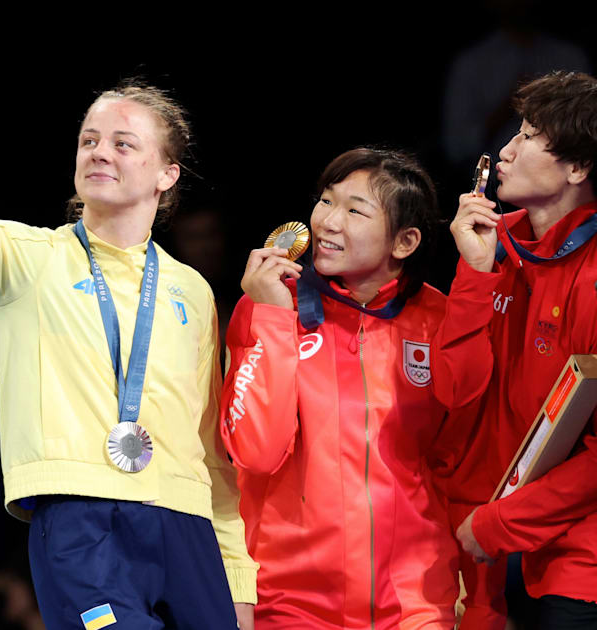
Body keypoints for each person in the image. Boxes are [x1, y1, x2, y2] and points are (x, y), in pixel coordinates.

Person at [0, 40, 256, 630]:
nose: (99, 151)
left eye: (122, 143)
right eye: (89, 139)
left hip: (187, 525)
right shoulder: (27, 260)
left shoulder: (190, 289)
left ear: (167, 173)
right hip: (80, 519)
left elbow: (211, 450)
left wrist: (237, 578)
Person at [431, 71, 597, 630]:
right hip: (503, 541)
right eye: (513, 133)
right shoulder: (494, 244)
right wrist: (473, 273)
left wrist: (499, 525)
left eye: (527, 137)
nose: (504, 152)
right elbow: (455, 390)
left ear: (577, 167)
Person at [220, 148, 464, 628]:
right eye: (326, 201)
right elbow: (255, 453)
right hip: (290, 602)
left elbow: (460, 461)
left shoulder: (440, 320)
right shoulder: (270, 306)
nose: (328, 221)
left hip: (416, 604)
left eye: (355, 210)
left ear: (405, 241)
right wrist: (271, 318)